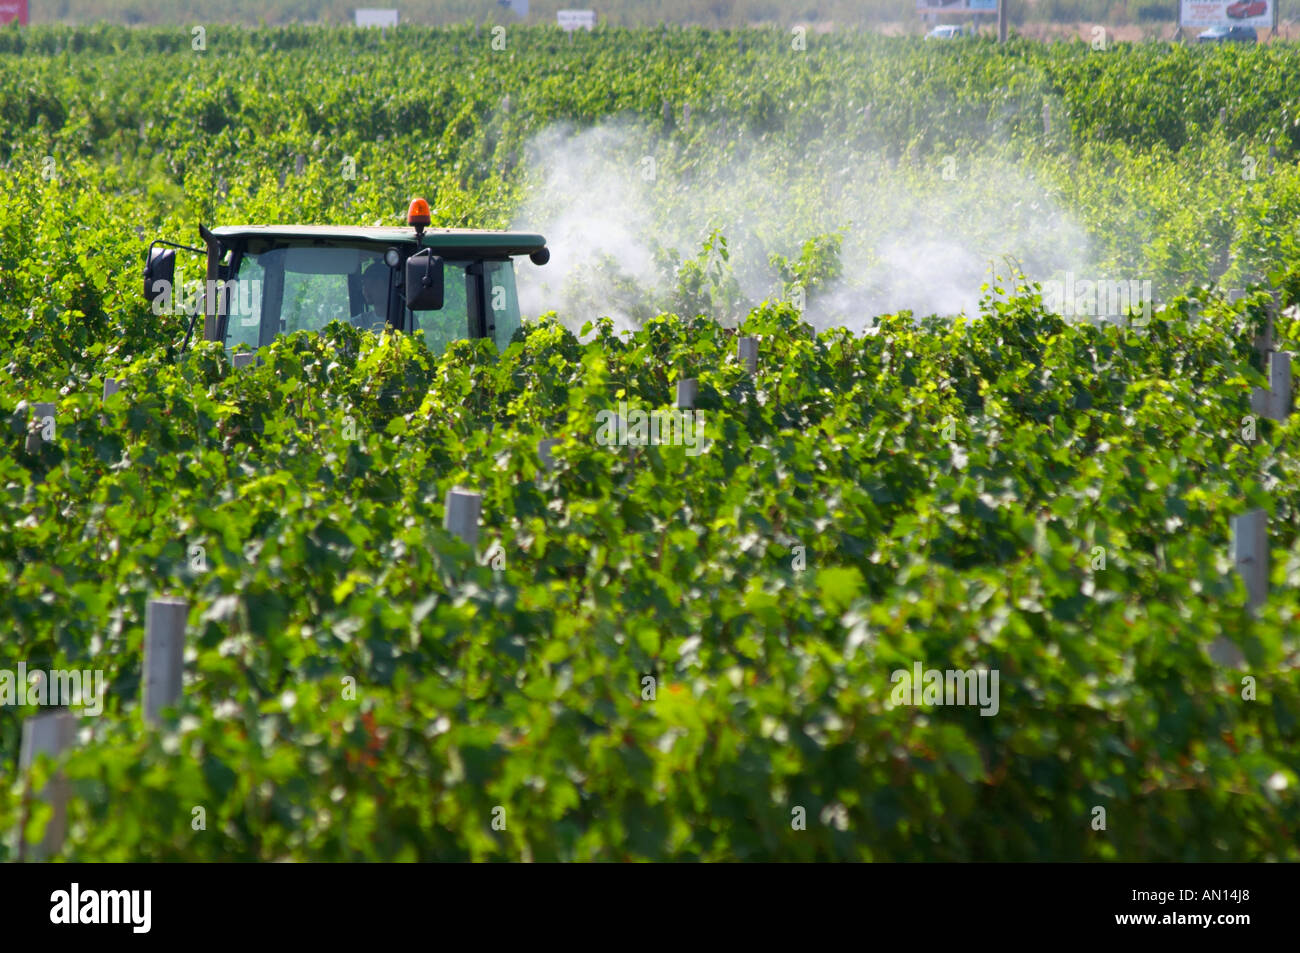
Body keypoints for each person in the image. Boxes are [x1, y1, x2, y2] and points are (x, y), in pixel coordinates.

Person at [350, 262, 390, 331]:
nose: (366, 290)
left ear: (388, 286)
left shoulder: (406, 319)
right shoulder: (358, 323)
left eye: (372, 284)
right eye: (364, 285)